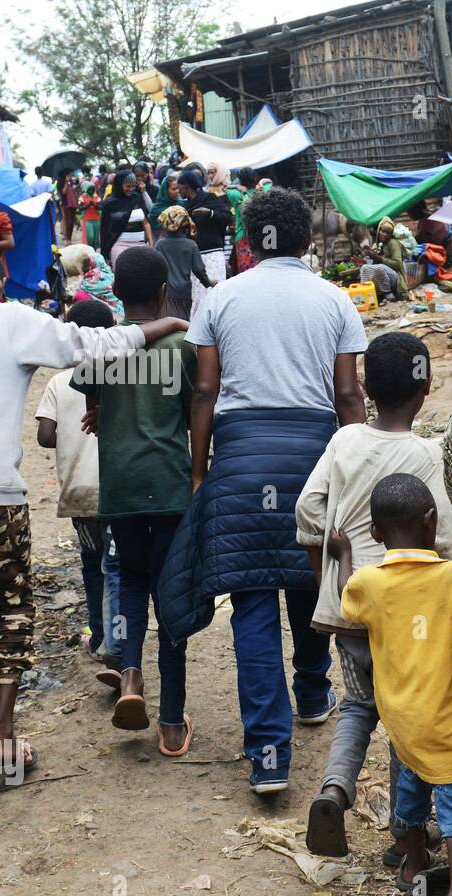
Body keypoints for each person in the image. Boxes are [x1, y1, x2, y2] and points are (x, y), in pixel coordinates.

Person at [0, 249, 186, 805]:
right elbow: (89, 346)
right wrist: (165, 324)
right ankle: (0, 740)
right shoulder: (12, 318)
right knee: (12, 610)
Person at [159, 186, 369, 794]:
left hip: (242, 459)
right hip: (313, 455)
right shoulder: (335, 301)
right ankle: (311, 692)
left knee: (251, 601)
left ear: (249, 241)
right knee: (308, 575)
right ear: (305, 239)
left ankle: (269, 755)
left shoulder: (220, 299)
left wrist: (201, 471)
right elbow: (349, 396)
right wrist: (353, 470)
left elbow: (203, 392)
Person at [296, 332, 452, 859]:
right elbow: (446, 541)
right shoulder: (427, 456)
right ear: (427, 388)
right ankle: (404, 829)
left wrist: (325, 569)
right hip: (406, 616)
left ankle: (334, 790)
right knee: (404, 712)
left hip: (348, 609)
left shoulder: (344, 440)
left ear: (365, 387)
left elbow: (307, 509)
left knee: (359, 705)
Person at [328, 474, 452, 896]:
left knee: (410, 782)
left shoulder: (369, 583)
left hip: (401, 717)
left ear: (376, 534)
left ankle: (415, 859)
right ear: (432, 521)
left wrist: (342, 555)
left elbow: (347, 604)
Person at [73, 247, 198, 754]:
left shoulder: (103, 347)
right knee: (171, 594)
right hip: (168, 485)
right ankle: (170, 722)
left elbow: (84, 387)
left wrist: (101, 407)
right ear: (164, 292)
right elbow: (196, 410)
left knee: (127, 581)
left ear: (116, 295)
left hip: (120, 487)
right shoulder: (182, 346)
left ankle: (128, 675)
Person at [35, 300, 122, 677]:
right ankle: (116, 642)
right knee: (118, 565)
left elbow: (45, 436)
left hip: (79, 494)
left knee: (92, 566)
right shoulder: (121, 374)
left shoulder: (58, 381)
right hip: (119, 491)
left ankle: (99, 635)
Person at [179, 170, 232, 315]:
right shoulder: (184, 206)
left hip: (212, 253)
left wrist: (210, 213)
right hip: (194, 256)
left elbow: (227, 217)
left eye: (180, 187)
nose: (178, 190)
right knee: (197, 296)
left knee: (214, 294)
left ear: (187, 186)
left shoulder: (209, 198)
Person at [154, 205, 214, 320]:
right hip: (184, 291)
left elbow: (154, 268)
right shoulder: (191, 245)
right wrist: (209, 283)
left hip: (165, 291)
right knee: (182, 322)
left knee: (166, 321)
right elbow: (199, 270)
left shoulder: (160, 245)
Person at [99, 170, 153, 266]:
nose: (131, 189)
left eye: (133, 186)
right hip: (119, 245)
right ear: (120, 185)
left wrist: (151, 244)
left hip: (140, 244)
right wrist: (105, 253)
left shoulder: (137, 198)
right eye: (128, 186)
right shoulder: (110, 203)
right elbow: (105, 230)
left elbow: (146, 223)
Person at [60, 243, 123, 317]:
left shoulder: (88, 280)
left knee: (80, 296)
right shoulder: (112, 276)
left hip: (100, 313)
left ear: (89, 266)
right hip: (121, 311)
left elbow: (74, 293)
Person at [412, 200, 452, 265]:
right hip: (444, 249)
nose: (408, 214)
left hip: (450, 248)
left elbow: (423, 240)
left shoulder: (429, 219)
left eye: (409, 211)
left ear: (417, 210)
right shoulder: (423, 220)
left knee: (443, 273)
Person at [79, 182, 103, 250]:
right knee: (90, 236)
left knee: (95, 238)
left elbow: (101, 207)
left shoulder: (97, 197)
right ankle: (90, 248)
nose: (91, 191)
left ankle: (94, 250)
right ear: (86, 189)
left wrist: (95, 205)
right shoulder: (82, 197)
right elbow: (80, 208)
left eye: (93, 189)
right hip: (87, 219)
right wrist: (88, 205)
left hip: (97, 219)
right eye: (90, 189)